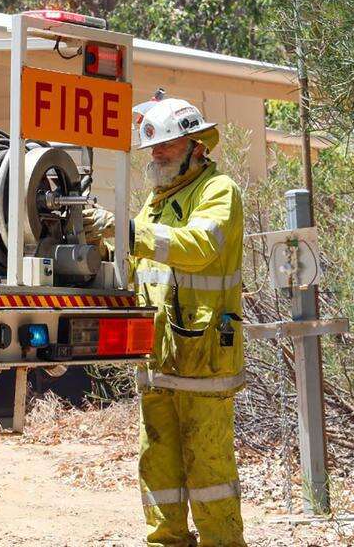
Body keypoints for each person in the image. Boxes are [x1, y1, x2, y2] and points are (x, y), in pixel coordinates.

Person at [84, 92, 246, 546]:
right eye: (152, 148)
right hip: (159, 360)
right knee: (157, 468)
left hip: (204, 357)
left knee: (209, 471)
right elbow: (135, 259)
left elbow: (198, 246)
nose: (156, 155)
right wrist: (98, 243)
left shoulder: (218, 192)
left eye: (166, 146)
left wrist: (125, 230)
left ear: (197, 146)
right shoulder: (157, 202)